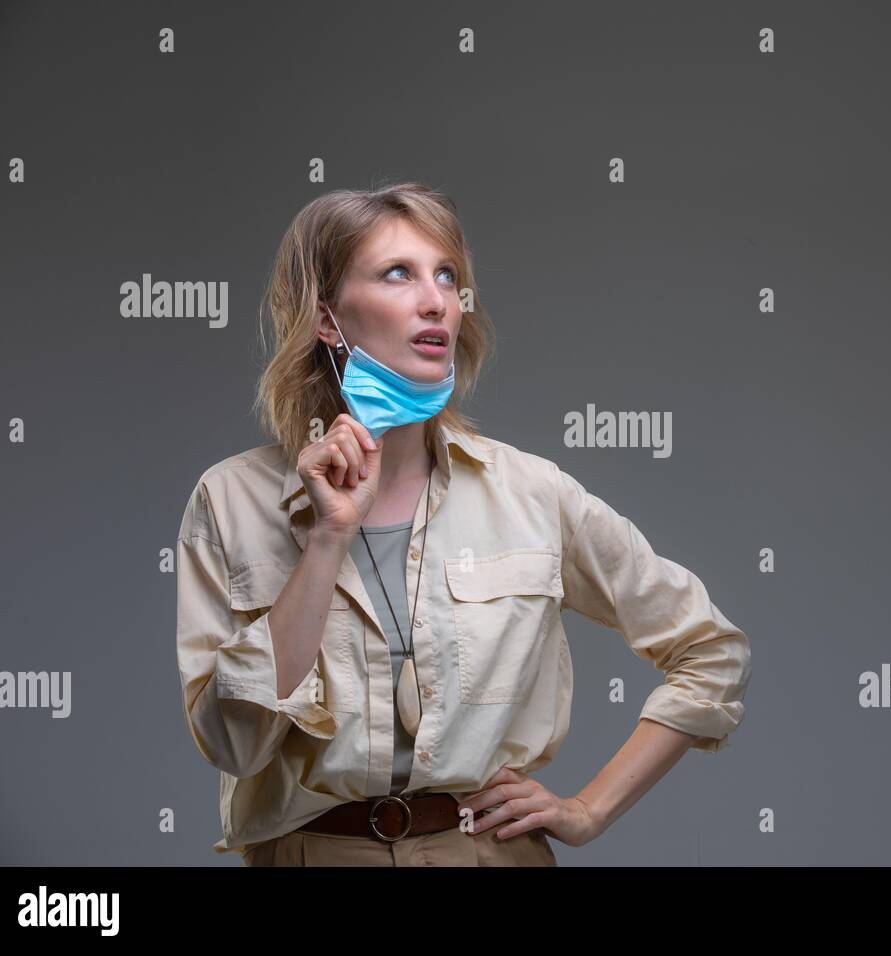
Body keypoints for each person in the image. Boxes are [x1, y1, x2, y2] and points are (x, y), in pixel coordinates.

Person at [174, 182, 751, 866]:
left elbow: (710, 651)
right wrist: (327, 539)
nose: (436, 300)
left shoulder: (530, 492)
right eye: (398, 274)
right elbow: (234, 743)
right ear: (327, 319)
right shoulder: (230, 499)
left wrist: (588, 810)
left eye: (446, 276)